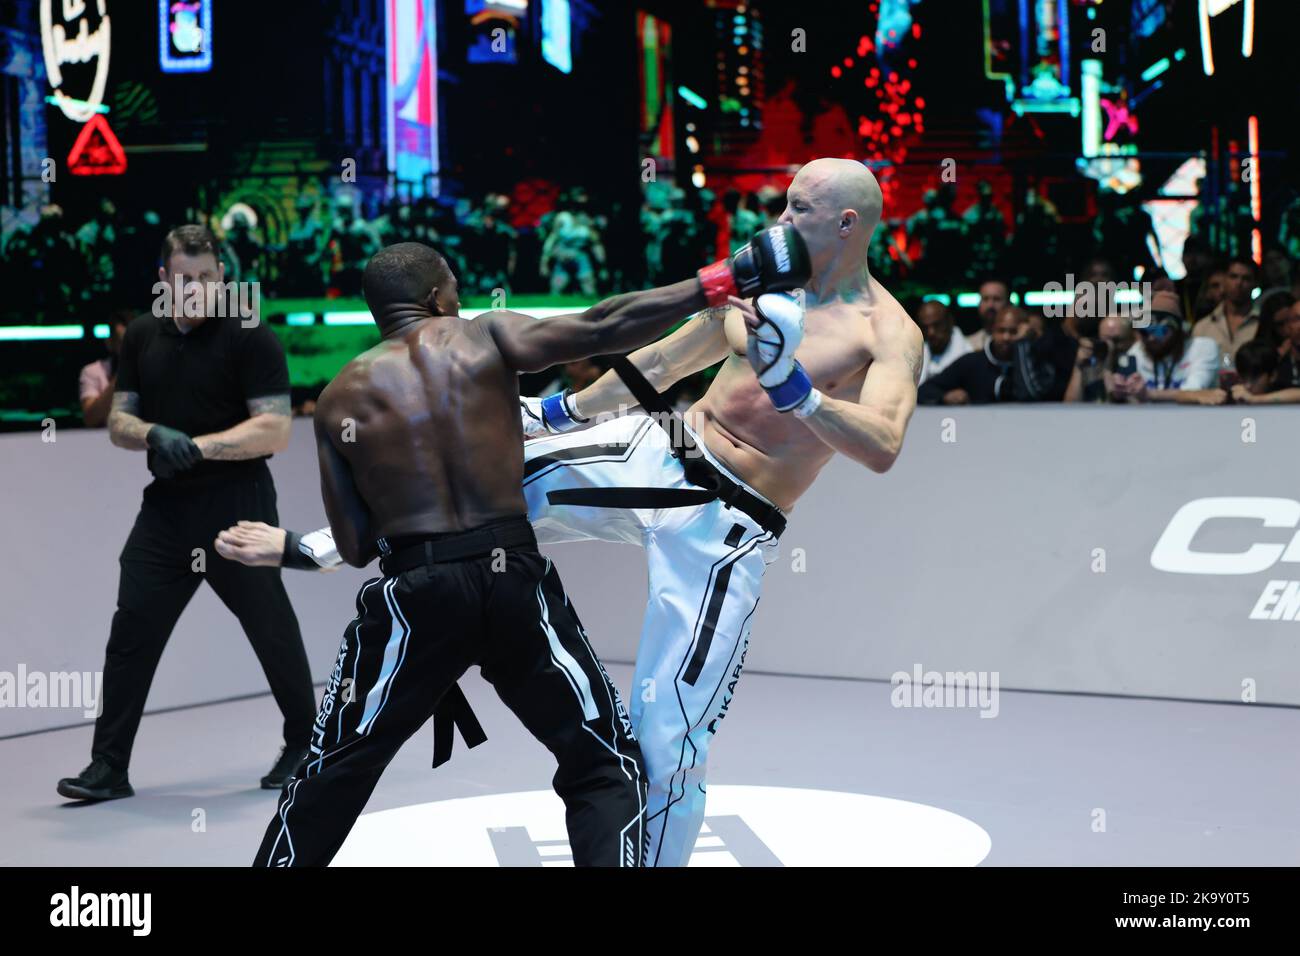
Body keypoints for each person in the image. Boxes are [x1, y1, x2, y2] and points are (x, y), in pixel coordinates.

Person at [221, 158, 921, 868]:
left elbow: (883, 446)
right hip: (668, 449)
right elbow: (663, 363)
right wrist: (559, 411)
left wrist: (796, 390)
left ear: (846, 223)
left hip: (733, 523)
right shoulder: (761, 288)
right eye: (782, 205)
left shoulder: (886, 332)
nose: (778, 223)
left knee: (668, 738)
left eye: (798, 210)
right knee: (487, 479)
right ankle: (310, 548)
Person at [57, 225, 317, 803]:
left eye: (207, 277)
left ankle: (305, 741)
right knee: (131, 632)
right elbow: (119, 423)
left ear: (222, 276)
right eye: (185, 279)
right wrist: (155, 433)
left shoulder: (250, 335)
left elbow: (275, 429)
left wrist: (197, 445)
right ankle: (109, 767)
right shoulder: (143, 336)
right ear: (163, 281)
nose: (197, 289)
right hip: (167, 510)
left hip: (239, 503)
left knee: (268, 625)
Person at [79, 310, 134, 427]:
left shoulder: (154, 369)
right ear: (110, 343)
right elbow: (90, 419)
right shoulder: (92, 371)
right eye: (122, 342)